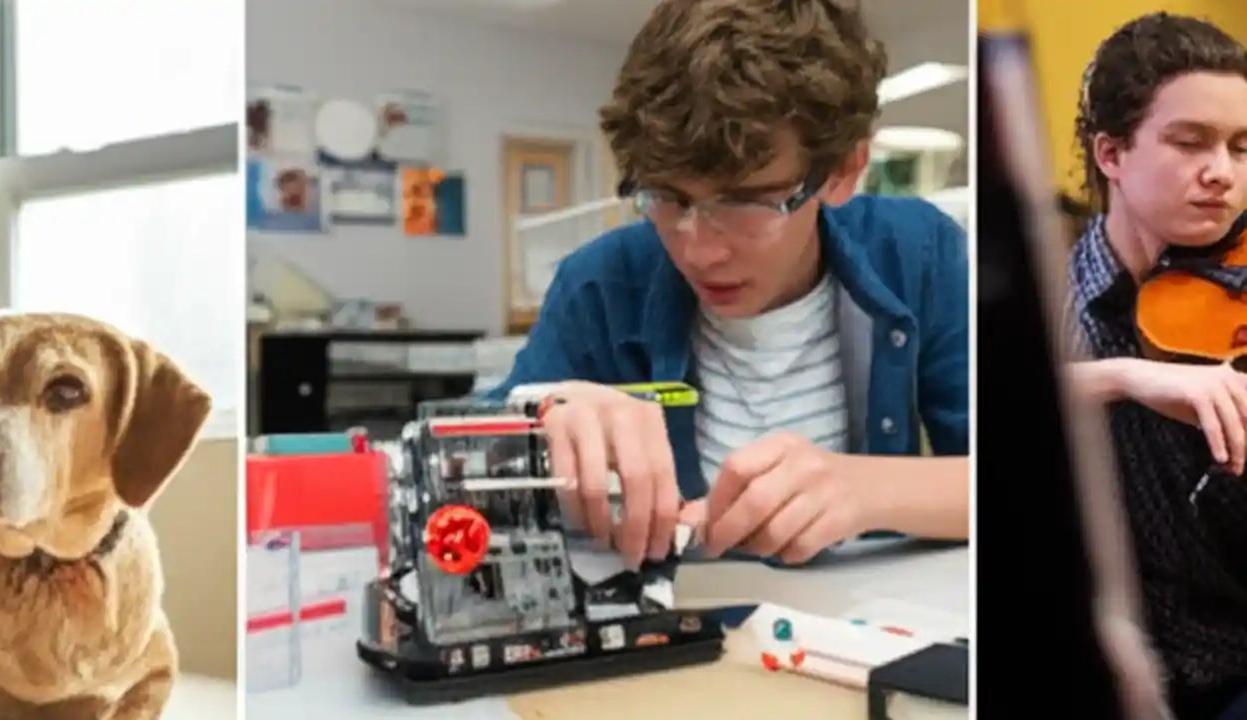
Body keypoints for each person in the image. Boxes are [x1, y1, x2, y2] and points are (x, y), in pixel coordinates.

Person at [489, 0, 970, 572]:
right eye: (668, 197)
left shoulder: (919, 253)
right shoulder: (598, 282)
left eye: (745, 201)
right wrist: (542, 419)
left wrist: (869, 489)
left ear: (842, 172)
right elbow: (458, 479)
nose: (699, 249)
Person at [1061, 13, 1247, 719]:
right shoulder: (1056, 304)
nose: (1222, 173)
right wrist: (1126, 375)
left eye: (1242, 146)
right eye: (1190, 142)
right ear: (1111, 154)